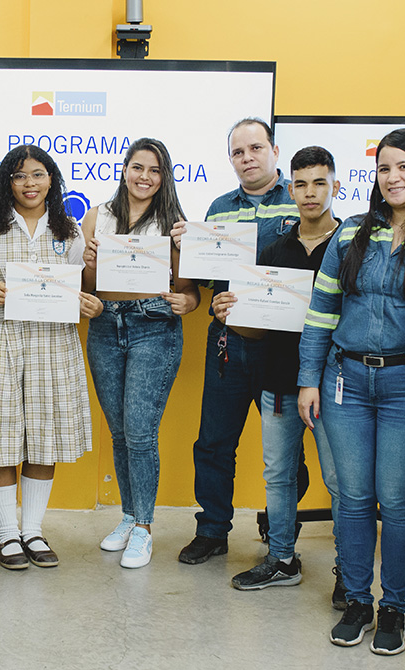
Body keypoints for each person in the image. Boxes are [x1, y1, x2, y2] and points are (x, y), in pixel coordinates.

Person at [298, 128, 405, 655]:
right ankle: (358, 600)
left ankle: (394, 608)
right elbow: (319, 315)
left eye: (404, 167)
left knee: (400, 502)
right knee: (355, 499)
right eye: (384, 168)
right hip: (346, 383)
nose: (394, 177)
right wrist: (307, 380)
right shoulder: (350, 235)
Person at [0, 145, 102, 570]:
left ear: (52, 180)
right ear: (7, 183)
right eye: (19, 176)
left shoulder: (71, 232)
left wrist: (87, 303)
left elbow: (82, 288)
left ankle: (33, 530)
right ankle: (6, 534)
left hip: (54, 343)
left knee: (44, 436)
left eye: (38, 175)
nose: (29, 184)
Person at [178, 118, 306, 565]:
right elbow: (208, 279)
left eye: (255, 148)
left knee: (288, 448)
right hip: (228, 347)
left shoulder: (299, 198)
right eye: (238, 152)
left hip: (284, 349)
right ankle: (213, 530)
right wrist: (187, 250)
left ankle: (280, 524)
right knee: (213, 443)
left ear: (274, 150)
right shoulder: (218, 209)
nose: (247, 158)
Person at [221, 146, 344, 603]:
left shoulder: (351, 247)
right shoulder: (274, 252)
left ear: (335, 185)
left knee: (339, 481)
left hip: (335, 384)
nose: (310, 193)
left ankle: (347, 571)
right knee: (278, 474)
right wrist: (229, 313)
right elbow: (255, 326)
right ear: (289, 188)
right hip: (278, 378)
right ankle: (282, 559)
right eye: (301, 183)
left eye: (319, 182)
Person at [82, 137, 200, 568]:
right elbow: (87, 287)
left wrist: (187, 303)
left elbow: (190, 294)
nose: (144, 177)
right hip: (105, 327)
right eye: (137, 167)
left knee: (139, 430)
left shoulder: (176, 224)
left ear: (164, 176)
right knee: (117, 431)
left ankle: (145, 528)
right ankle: (129, 516)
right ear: (124, 169)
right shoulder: (97, 217)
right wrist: (89, 261)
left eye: (154, 170)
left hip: (154, 328)